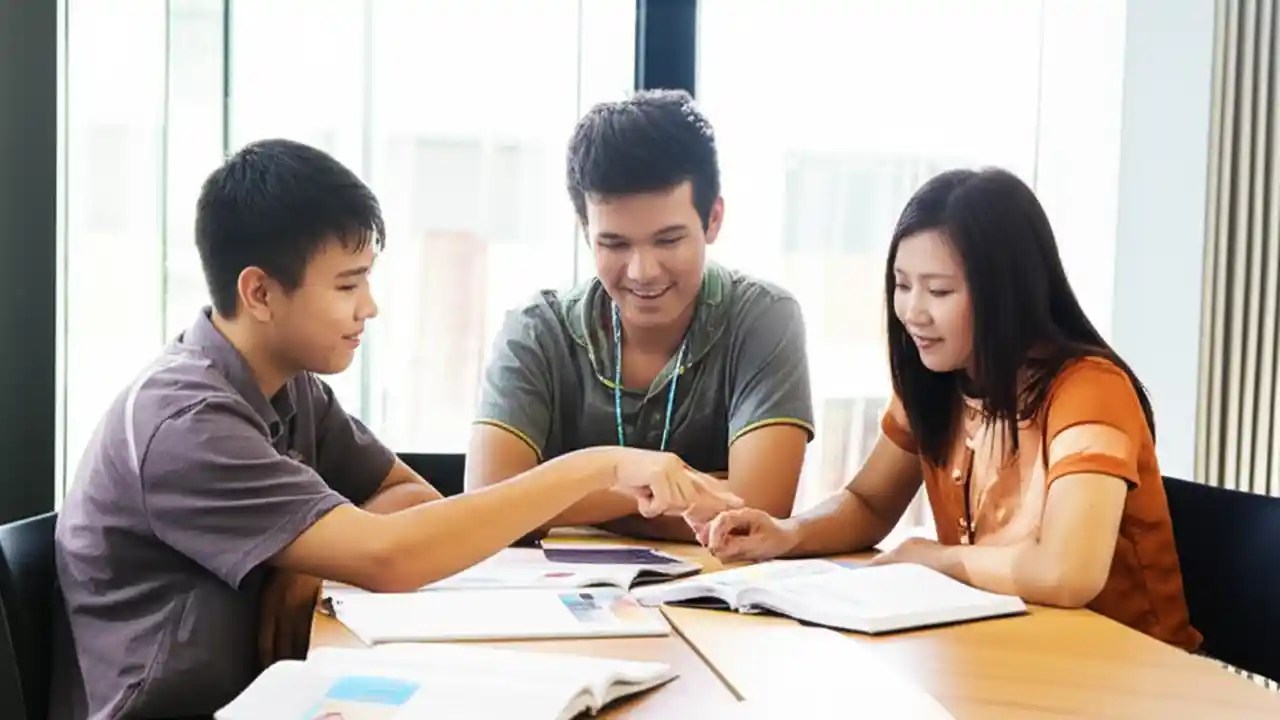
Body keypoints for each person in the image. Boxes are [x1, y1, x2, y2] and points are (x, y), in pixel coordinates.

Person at [52, 139, 740, 719]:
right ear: (260, 292)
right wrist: (598, 466)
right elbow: (392, 556)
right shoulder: (187, 423)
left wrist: (314, 557)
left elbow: (408, 497)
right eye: (348, 285)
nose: (369, 307)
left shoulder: (289, 388)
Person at [704, 168, 1202, 651]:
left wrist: (936, 560)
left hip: (1128, 672)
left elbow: (1067, 573)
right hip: (1005, 653)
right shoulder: (935, 378)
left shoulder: (1090, 391)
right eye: (902, 285)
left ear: (1005, 293)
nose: (912, 312)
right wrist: (787, 535)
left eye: (939, 290)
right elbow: (871, 504)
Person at [467, 89, 814, 542]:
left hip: (715, 604)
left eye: (668, 240)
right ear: (585, 230)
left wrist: (551, 502)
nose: (642, 272)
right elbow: (486, 503)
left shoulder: (764, 319)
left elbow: (754, 515)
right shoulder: (536, 331)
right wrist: (663, 487)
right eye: (614, 244)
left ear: (713, 219)